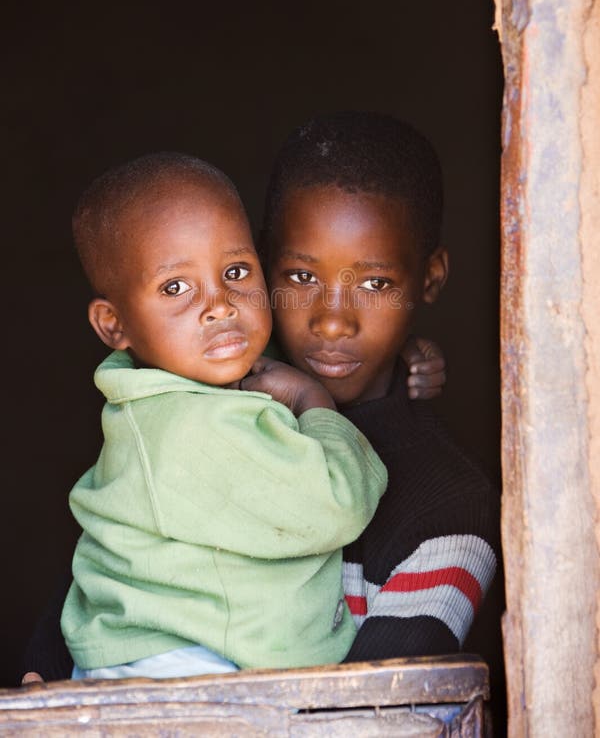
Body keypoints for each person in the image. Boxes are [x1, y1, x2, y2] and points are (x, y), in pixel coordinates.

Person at [58, 151, 388, 680]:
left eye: (235, 272)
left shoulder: (171, 393)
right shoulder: (187, 429)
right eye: (175, 287)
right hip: (181, 673)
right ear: (114, 324)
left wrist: (410, 358)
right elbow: (336, 502)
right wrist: (313, 401)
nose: (220, 304)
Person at [260, 111, 500, 659]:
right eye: (302, 276)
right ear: (261, 263)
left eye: (375, 283)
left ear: (430, 278)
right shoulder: (207, 413)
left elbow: (378, 698)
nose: (332, 322)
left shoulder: (449, 509)